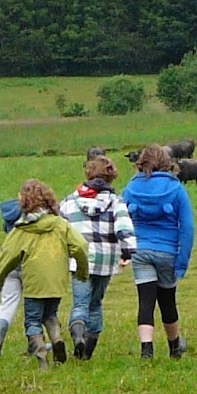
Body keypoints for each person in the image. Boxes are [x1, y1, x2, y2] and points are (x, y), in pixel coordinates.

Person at [0, 179, 89, 369]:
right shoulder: (61, 225)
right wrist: (82, 271)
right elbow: (81, 246)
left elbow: (8, 256)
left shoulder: (22, 229)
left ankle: (41, 354)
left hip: (34, 283)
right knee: (50, 314)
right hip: (56, 281)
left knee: (33, 320)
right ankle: (57, 337)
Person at [121, 144, 196, 360]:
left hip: (141, 250)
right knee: (167, 300)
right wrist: (183, 261)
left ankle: (147, 349)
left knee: (145, 301)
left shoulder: (131, 188)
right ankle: (174, 347)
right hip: (167, 251)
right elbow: (188, 227)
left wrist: (123, 250)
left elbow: (120, 217)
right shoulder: (176, 188)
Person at [59, 154, 137, 361]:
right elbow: (124, 226)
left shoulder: (70, 201)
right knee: (96, 303)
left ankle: (77, 336)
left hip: (79, 259)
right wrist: (128, 250)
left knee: (80, 303)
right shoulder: (115, 201)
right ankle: (87, 353)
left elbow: (60, 226)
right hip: (105, 261)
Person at [0, 196, 24, 357]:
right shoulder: (37, 215)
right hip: (31, 265)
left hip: (10, 263)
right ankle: (35, 344)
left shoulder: (9, 216)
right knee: (34, 308)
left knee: (7, 305)